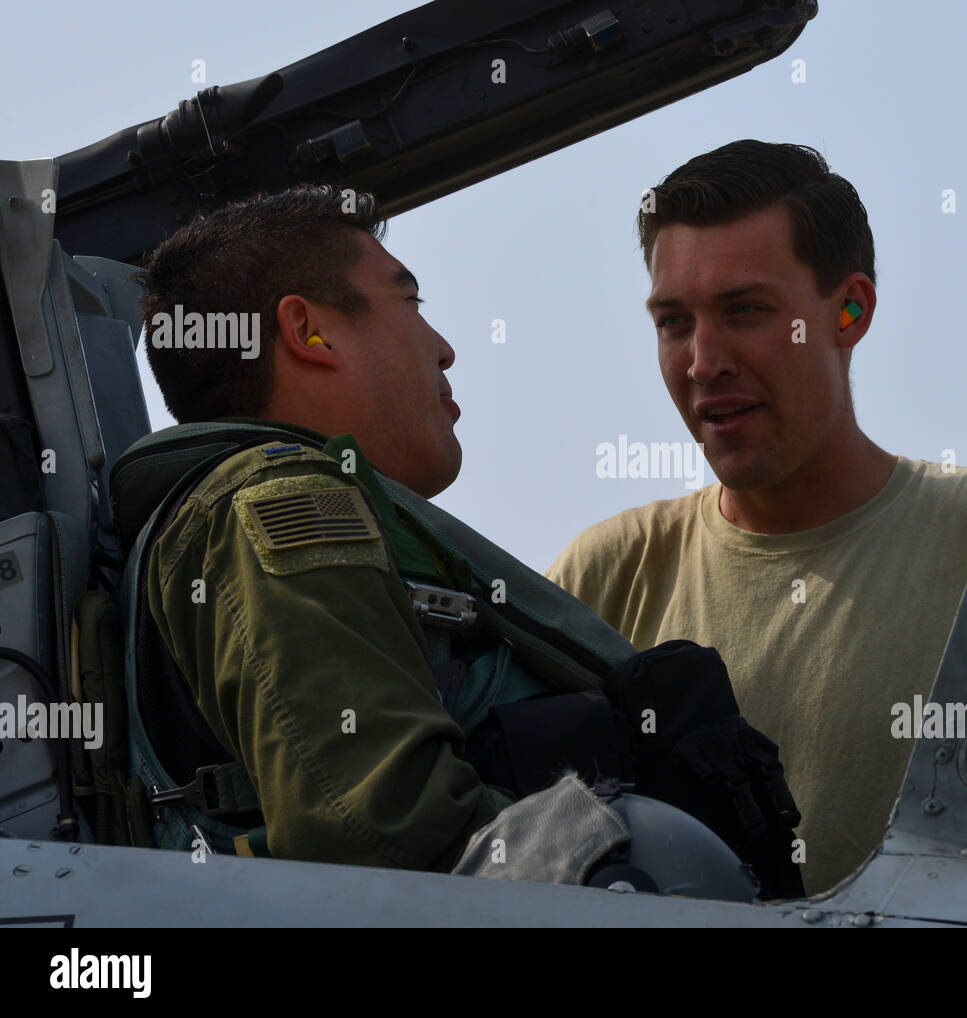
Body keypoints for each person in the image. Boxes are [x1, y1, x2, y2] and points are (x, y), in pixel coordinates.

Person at [130, 183, 800, 890]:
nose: (443, 349)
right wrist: (625, 848)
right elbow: (384, 835)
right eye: (410, 304)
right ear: (309, 333)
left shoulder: (260, 514)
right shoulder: (288, 506)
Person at [546, 140, 967, 895]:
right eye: (674, 322)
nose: (704, 361)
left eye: (745, 311)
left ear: (851, 309)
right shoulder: (602, 575)